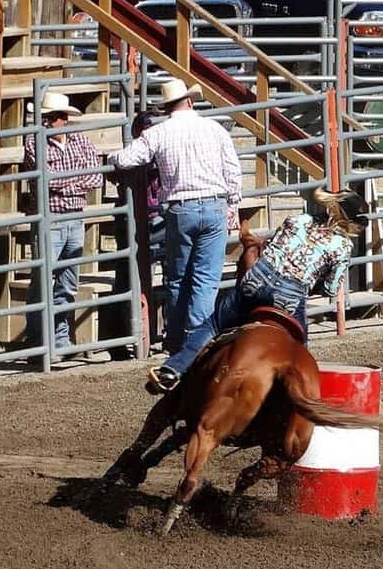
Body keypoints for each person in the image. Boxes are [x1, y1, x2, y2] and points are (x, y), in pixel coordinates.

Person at [148, 188, 366, 394]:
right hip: (290, 296)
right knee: (300, 350)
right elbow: (331, 288)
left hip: (257, 278)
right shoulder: (343, 246)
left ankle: (173, 369)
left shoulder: (299, 220)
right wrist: (314, 281)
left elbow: (273, 247)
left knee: (213, 325)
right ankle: (298, 396)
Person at [108, 78, 241, 364]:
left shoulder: (159, 133)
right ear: (190, 101)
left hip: (181, 208)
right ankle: (197, 339)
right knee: (206, 279)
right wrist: (232, 204)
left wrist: (111, 157)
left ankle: (178, 340)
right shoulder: (214, 128)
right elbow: (232, 170)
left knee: (178, 276)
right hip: (214, 204)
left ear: (167, 107)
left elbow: (127, 158)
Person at [21, 91, 104, 355]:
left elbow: (96, 178)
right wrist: (77, 182)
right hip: (51, 219)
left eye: (54, 117)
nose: (48, 121)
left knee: (67, 282)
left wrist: (65, 183)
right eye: (46, 117)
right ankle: (39, 342)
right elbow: (48, 179)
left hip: (73, 218)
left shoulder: (80, 140)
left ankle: (59, 340)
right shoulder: (34, 142)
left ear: (64, 118)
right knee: (43, 281)